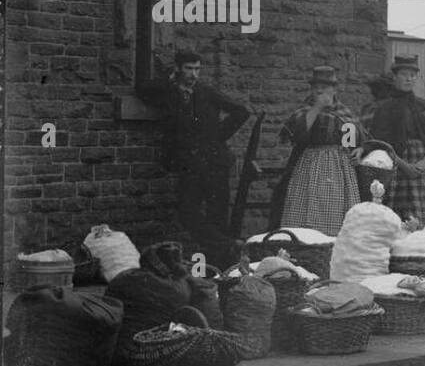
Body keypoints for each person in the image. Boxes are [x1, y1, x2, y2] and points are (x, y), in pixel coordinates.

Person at [140, 49, 250, 256]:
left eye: (197, 69)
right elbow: (142, 89)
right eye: (189, 69)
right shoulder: (169, 92)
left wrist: (217, 136)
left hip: (215, 162)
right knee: (187, 213)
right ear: (178, 69)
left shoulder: (207, 92)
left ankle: (221, 264)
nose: (194, 74)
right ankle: (227, 245)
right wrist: (169, 79)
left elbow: (241, 111)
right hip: (190, 165)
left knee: (217, 215)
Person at [270, 66, 363, 235]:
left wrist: (359, 150)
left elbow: (351, 141)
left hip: (339, 170)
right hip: (309, 165)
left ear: (334, 89)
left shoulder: (343, 113)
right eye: (316, 87)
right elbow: (299, 135)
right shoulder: (304, 111)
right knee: (306, 208)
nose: (320, 90)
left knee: (336, 208)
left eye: (325, 87)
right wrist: (317, 107)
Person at [361, 55, 425, 222]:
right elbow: (380, 144)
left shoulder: (424, 106)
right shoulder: (383, 109)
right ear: (394, 77)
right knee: (402, 220)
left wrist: (423, 164)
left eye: (412, 75)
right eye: (404, 74)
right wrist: (405, 166)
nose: (409, 78)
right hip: (398, 168)